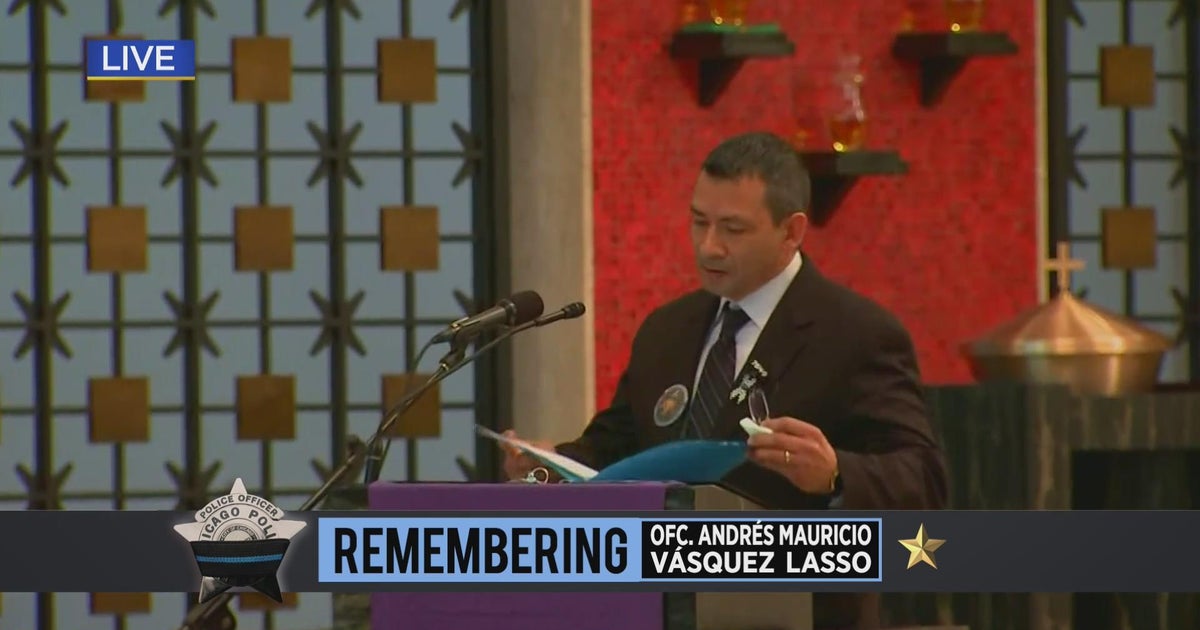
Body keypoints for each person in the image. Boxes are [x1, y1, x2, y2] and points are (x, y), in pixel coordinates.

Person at [503, 131, 948, 629]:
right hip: (654, 606)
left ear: (792, 231)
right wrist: (546, 469)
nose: (708, 245)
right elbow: (616, 450)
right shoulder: (666, 330)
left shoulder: (857, 334)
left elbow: (925, 481)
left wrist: (834, 473)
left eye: (732, 229)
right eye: (699, 222)